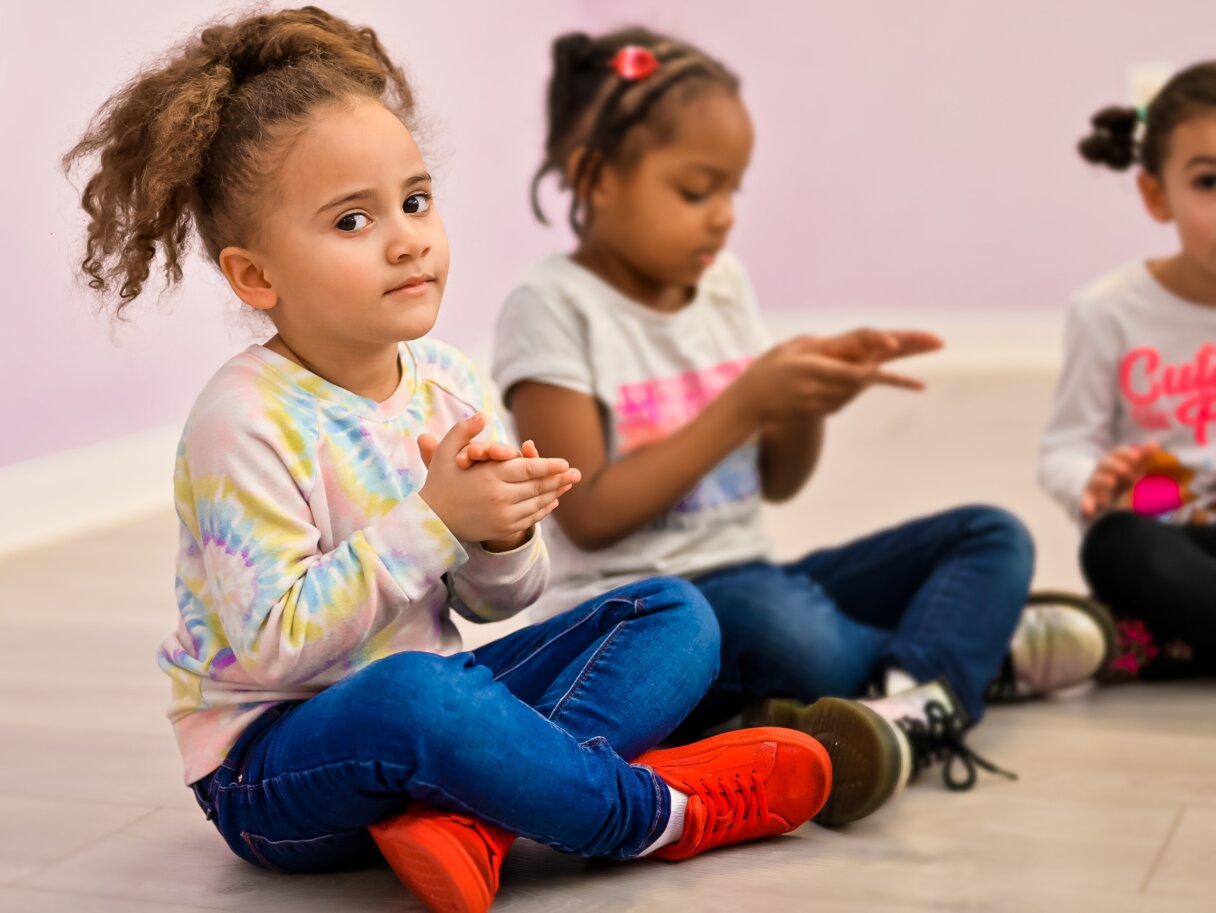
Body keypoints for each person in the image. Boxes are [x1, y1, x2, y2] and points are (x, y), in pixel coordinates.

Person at [64, 9, 856, 912]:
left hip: (439, 708)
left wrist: (502, 538)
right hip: (276, 765)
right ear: (256, 277)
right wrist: (434, 521)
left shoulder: (444, 381)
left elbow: (492, 605)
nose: (406, 238)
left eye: (415, 200)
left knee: (675, 610)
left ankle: (477, 818)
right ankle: (655, 814)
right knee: (413, 694)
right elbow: (276, 650)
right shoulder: (240, 420)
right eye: (352, 220)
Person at [491, 27, 1101, 799]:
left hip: (761, 578)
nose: (723, 217)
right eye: (694, 190)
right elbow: (587, 514)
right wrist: (748, 398)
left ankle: (904, 697)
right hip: (657, 613)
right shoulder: (550, 307)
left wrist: (806, 402)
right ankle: (969, 657)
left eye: (732, 190)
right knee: (790, 630)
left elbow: (778, 479)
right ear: (595, 176)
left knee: (990, 534)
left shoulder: (723, 285)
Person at [1040, 62, 1216, 680]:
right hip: (1170, 537)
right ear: (1155, 195)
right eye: (1210, 181)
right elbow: (1065, 446)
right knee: (1118, 545)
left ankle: (1156, 641)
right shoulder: (1108, 309)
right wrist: (1096, 482)